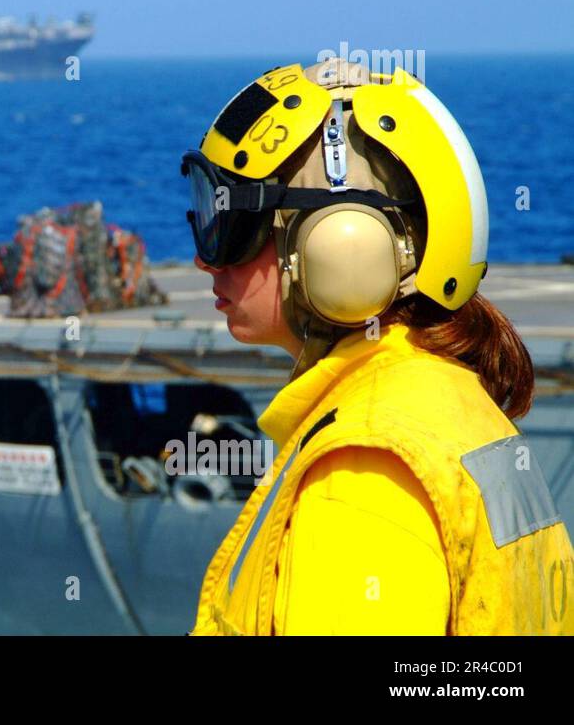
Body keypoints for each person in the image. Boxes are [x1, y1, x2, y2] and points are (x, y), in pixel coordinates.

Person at [182, 58, 574, 635]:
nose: (203, 258)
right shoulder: (453, 402)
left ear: (343, 244)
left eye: (230, 228)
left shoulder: (364, 472)